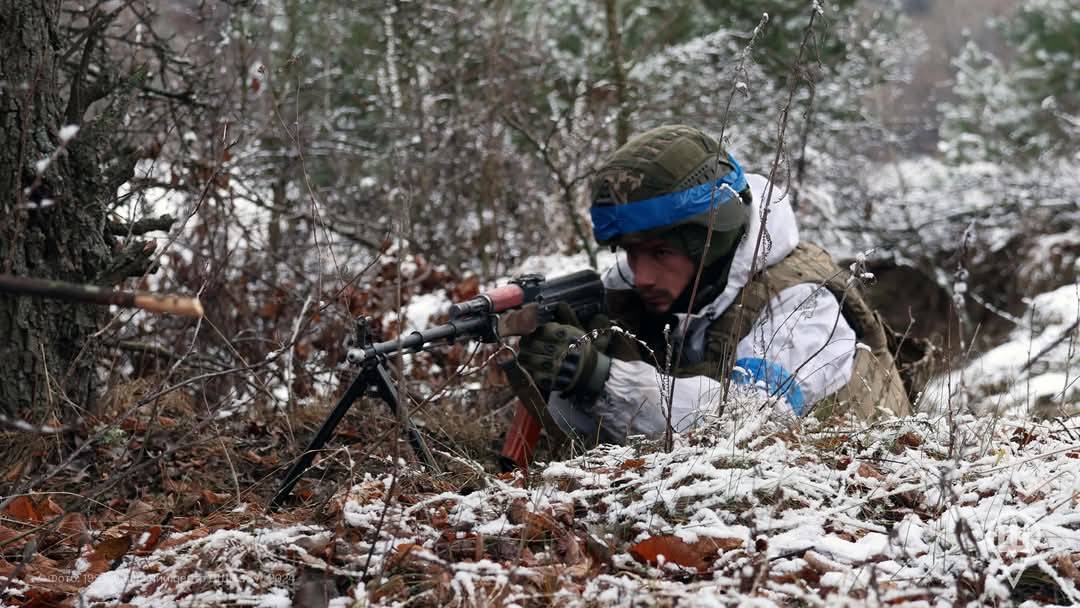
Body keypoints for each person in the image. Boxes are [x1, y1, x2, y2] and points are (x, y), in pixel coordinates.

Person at [517, 125, 911, 444]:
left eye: (660, 253)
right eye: (630, 252)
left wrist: (600, 377)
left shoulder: (803, 304)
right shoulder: (639, 285)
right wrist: (565, 367)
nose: (642, 275)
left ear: (710, 239)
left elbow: (750, 423)